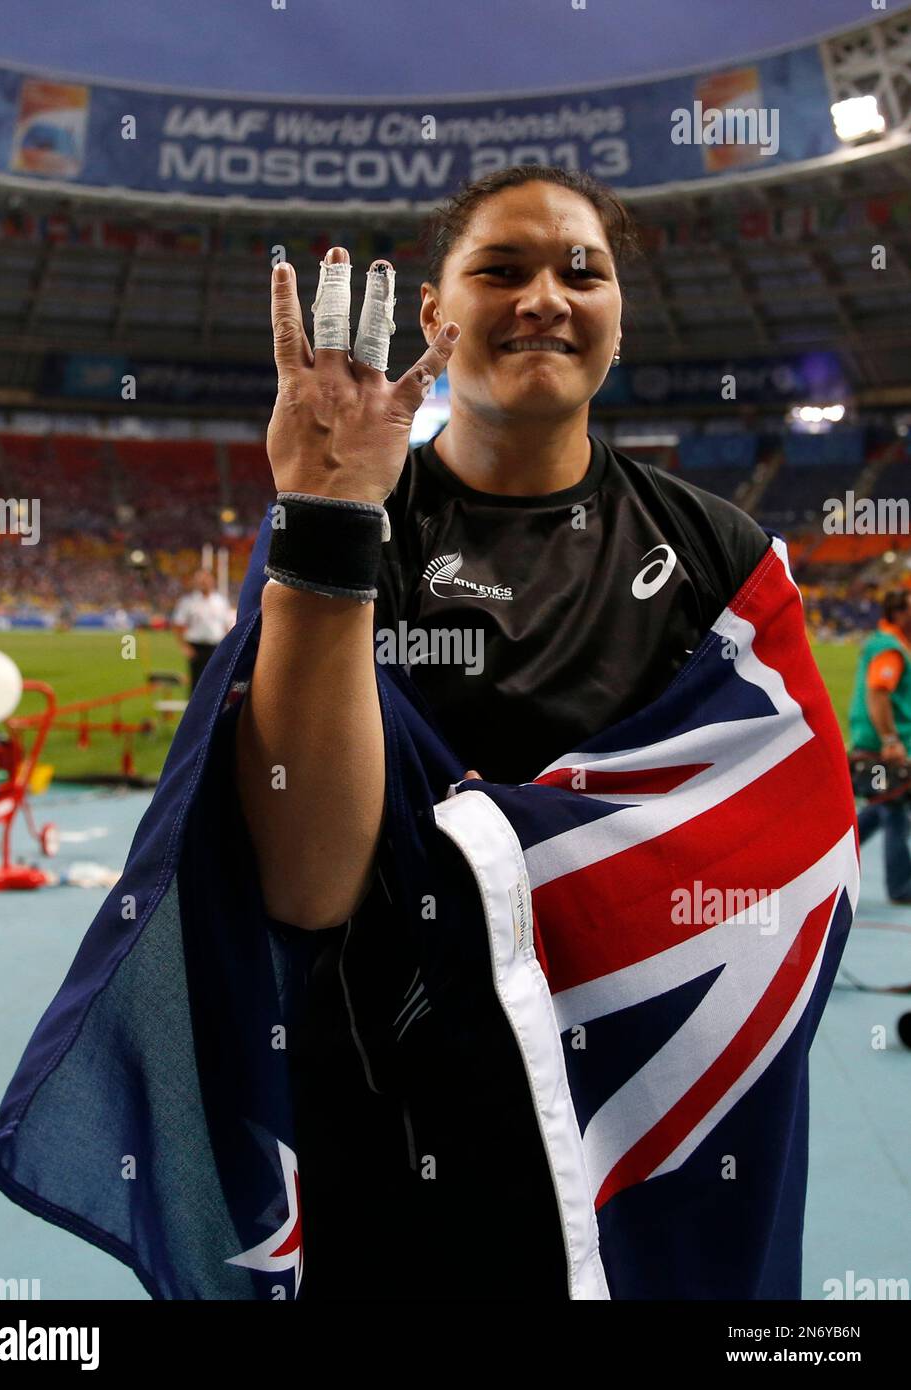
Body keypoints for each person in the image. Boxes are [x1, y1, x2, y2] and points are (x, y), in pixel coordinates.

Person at [232, 165, 786, 1299]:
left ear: (619, 318)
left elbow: (782, 860)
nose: (547, 296)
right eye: (501, 269)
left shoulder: (723, 557)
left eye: (585, 271)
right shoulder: (346, 526)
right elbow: (305, 879)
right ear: (432, 316)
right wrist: (333, 517)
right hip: (392, 1111)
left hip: (637, 1112)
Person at [849, 587, 911, 904]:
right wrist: (890, 740)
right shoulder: (890, 649)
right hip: (882, 748)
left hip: (873, 745)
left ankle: (840, 856)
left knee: (882, 806)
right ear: (899, 613)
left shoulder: (883, 643)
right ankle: (902, 886)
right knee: (894, 806)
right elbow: (878, 693)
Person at [171, 567, 233, 691]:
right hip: (196, 646)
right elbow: (178, 625)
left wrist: (227, 647)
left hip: (216, 646)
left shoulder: (221, 601)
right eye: (200, 579)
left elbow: (226, 625)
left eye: (206, 579)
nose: (204, 582)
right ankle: (195, 710)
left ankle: (212, 709)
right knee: (196, 683)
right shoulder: (188, 602)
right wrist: (184, 646)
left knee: (215, 681)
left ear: (212, 581)